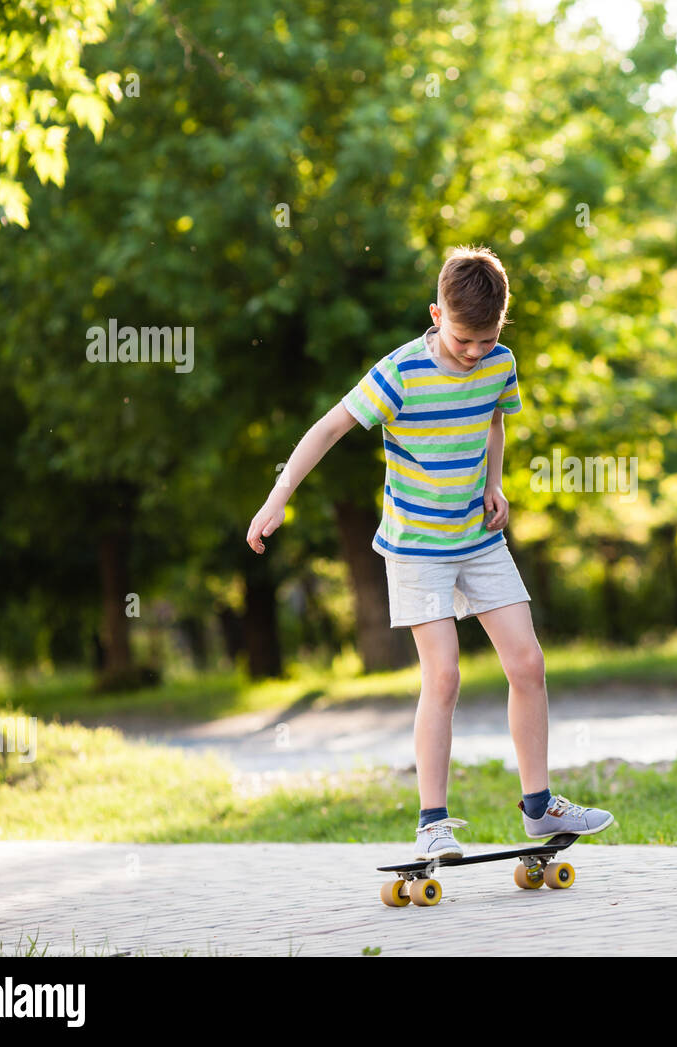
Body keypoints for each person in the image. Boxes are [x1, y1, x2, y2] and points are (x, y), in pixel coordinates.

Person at [246, 244, 615, 860]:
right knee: (442, 675)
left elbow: (495, 419)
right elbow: (330, 426)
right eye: (463, 340)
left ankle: (539, 805)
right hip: (417, 545)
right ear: (436, 315)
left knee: (528, 663)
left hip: (477, 535)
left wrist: (494, 482)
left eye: (486, 339)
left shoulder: (500, 362)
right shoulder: (400, 372)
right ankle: (433, 822)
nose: (473, 354)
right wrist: (278, 497)